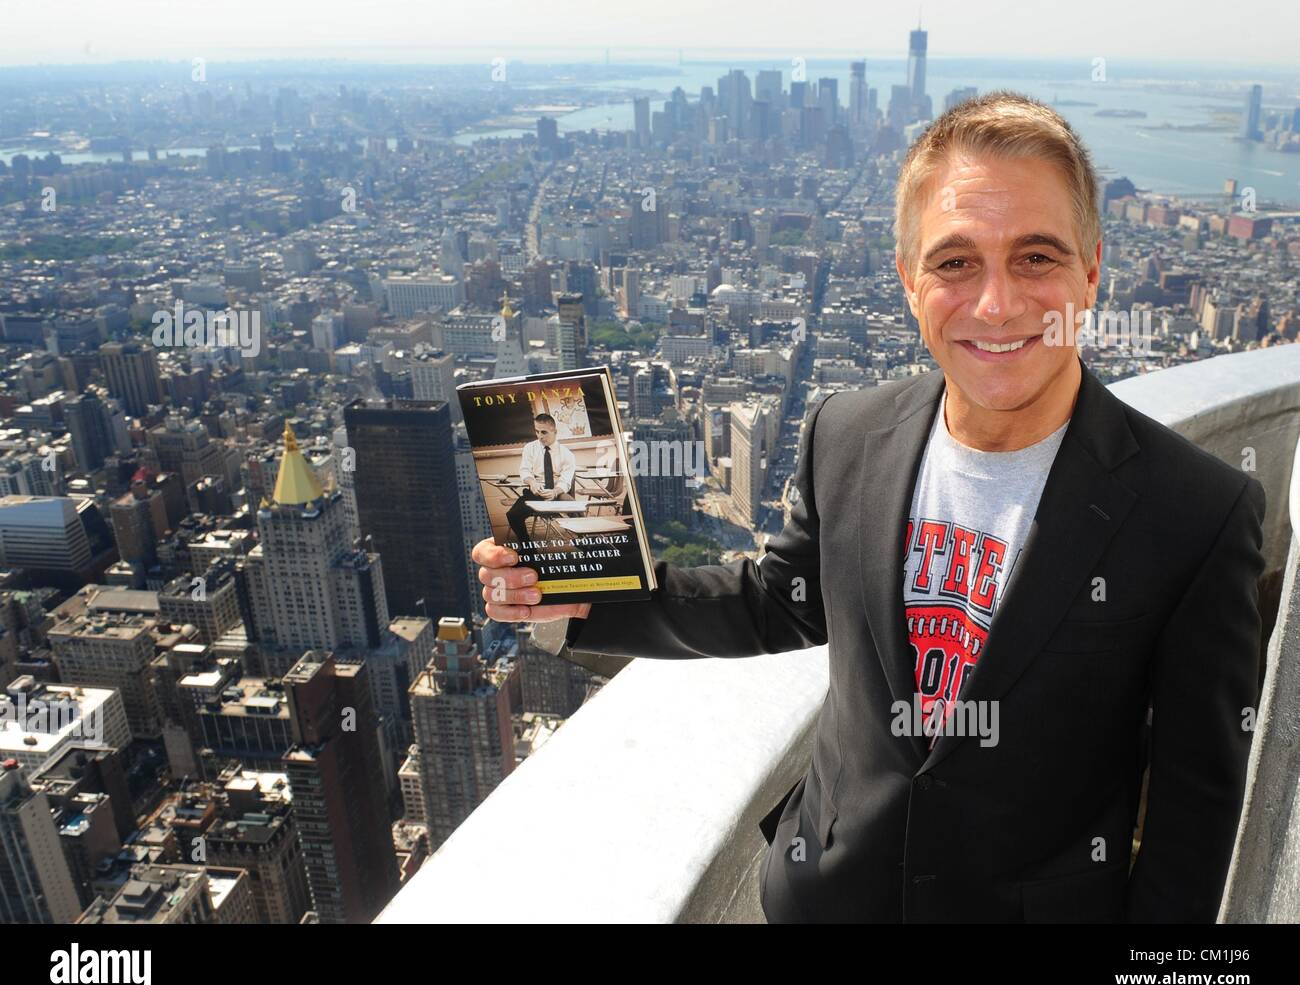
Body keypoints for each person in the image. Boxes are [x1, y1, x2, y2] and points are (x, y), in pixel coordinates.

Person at [472, 92, 1266, 923]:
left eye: (1037, 257)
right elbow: (778, 601)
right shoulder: (845, 434)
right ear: (908, 281)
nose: (996, 303)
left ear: (1092, 272)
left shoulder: (1197, 515)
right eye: (955, 261)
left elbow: (1193, 821)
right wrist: (576, 600)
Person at [505, 413, 577, 547]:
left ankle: (587, 546)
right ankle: (528, 549)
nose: (539, 436)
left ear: (554, 431)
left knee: (577, 509)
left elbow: (565, 481)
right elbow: (524, 470)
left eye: (544, 432)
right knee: (513, 515)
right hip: (536, 493)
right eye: (537, 431)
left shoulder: (567, 454)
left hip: (558, 494)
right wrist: (532, 483)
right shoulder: (530, 448)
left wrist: (555, 492)